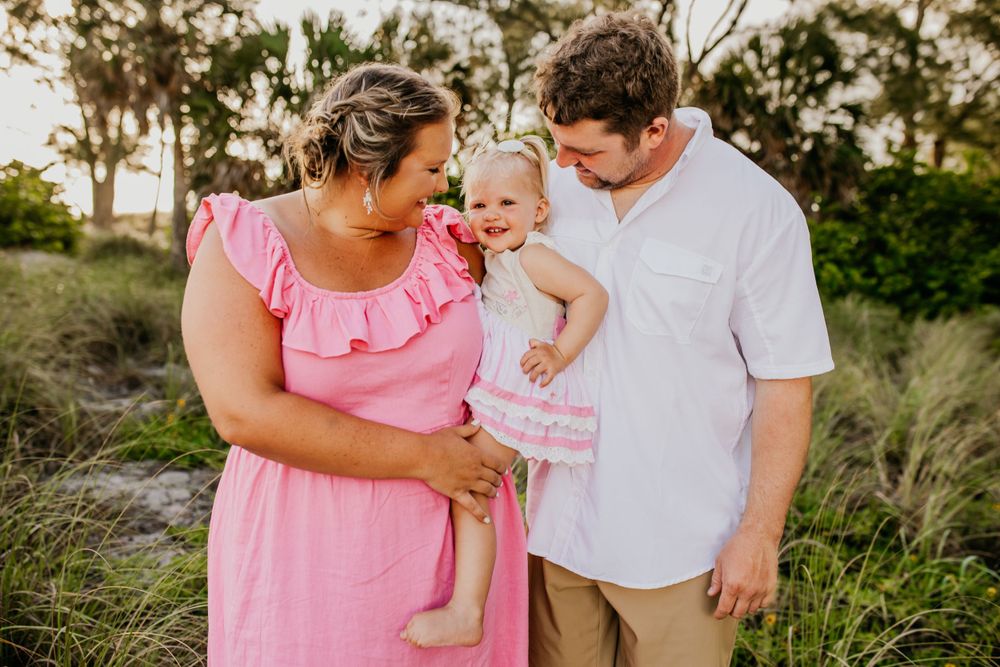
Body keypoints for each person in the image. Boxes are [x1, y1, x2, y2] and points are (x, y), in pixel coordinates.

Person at [181, 63, 527, 666]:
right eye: (431, 167)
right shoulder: (245, 241)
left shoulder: (453, 240)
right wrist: (427, 457)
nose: (445, 184)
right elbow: (243, 413)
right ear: (370, 168)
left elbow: (528, 319)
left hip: (457, 540)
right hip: (306, 548)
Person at [526, 12, 835, 666]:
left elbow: (786, 384)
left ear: (654, 130)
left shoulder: (756, 211)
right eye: (557, 142)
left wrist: (760, 533)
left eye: (583, 151)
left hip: (679, 550)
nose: (562, 163)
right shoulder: (548, 191)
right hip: (555, 534)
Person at [402, 136, 608, 649]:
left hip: (521, 383)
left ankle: (467, 610)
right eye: (478, 204)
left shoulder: (533, 256)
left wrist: (561, 354)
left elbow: (591, 295)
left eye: (507, 203)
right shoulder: (502, 255)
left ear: (539, 211)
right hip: (500, 383)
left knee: (472, 483)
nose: (491, 214)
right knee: (470, 479)